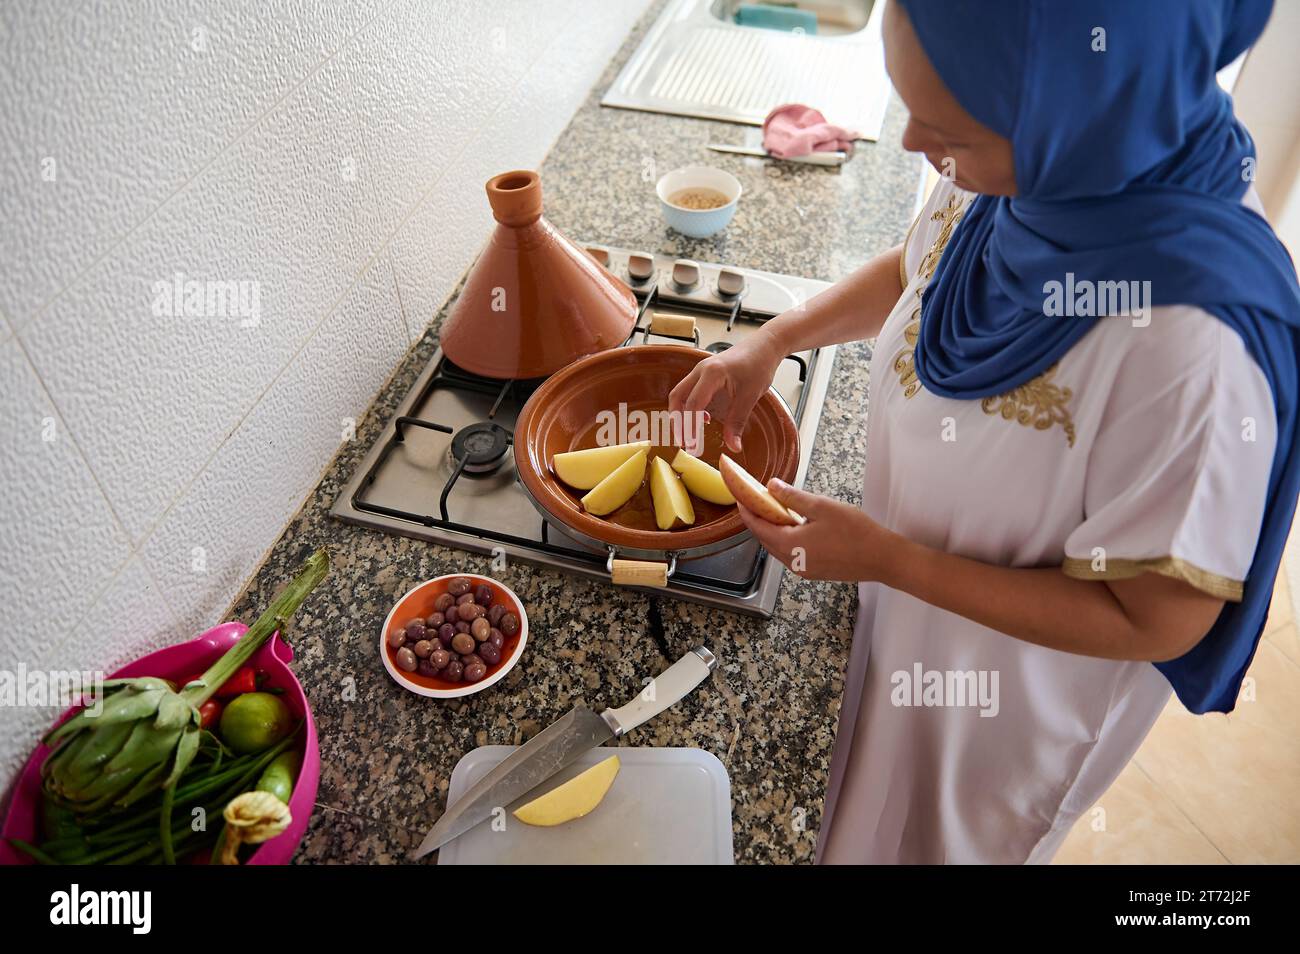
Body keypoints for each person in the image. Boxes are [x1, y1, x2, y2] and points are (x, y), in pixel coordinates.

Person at [669, 0, 1300, 863]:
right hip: (899, 599)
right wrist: (776, 338)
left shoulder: (1195, 349)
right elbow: (914, 268)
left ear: (1070, 108)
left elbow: (1156, 619)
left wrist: (891, 559)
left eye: (947, 133)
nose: (912, 148)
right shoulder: (1050, 161)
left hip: (1006, 702)